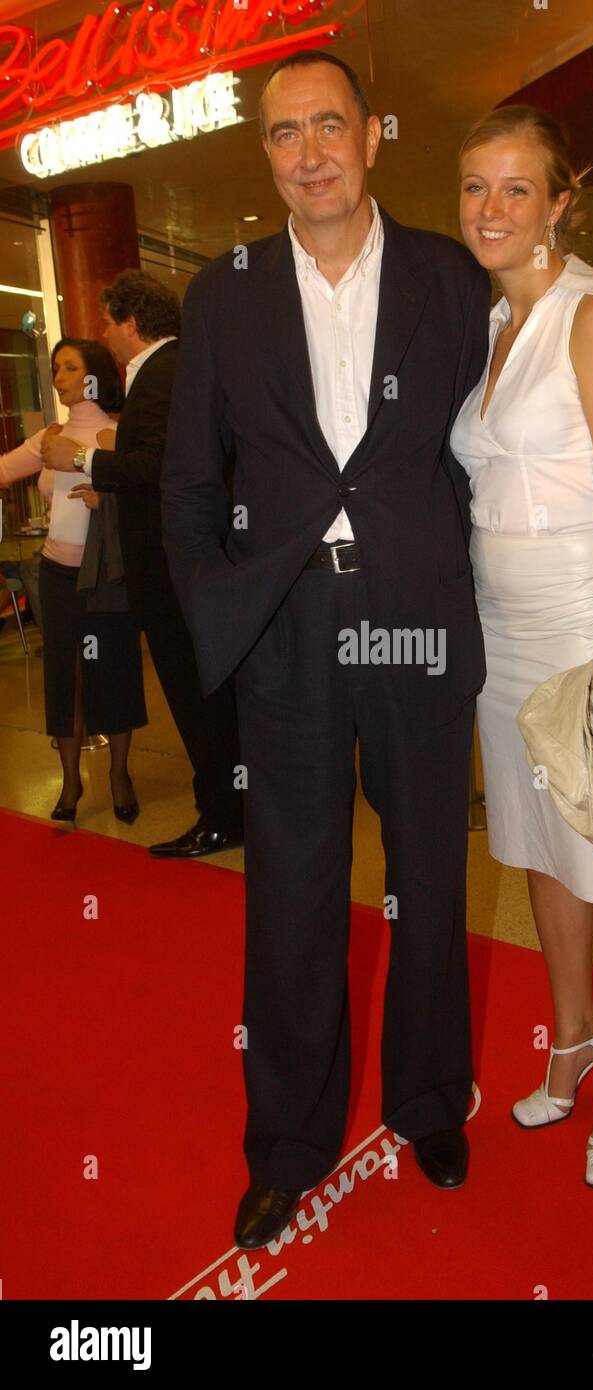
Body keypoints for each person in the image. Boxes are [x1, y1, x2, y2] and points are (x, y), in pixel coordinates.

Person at [161, 51, 490, 1247]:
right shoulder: (227, 291)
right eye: (284, 133)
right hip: (289, 625)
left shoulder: (450, 280)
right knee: (291, 895)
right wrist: (223, 615)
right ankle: (286, 1143)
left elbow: (480, 453)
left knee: (430, 876)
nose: (308, 152)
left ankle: (426, 1100)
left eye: (327, 126)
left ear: (372, 132)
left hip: (413, 617)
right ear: (267, 154)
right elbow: (190, 477)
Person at [451, 105, 593, 1189]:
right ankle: (569, 1037)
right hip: (503, 633)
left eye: (516, 188)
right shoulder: (495, 324)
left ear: (560, 202)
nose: (491, 209)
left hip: (588, 626)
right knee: (540, 854)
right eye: (475, 188)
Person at [42, 271, 243, 857]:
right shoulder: (173, 367)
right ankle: (230, 802)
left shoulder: (161, 374)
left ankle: (223, 813)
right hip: (190, 559)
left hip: (174, 565)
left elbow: (160, 463)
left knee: (195, 692)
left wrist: (80, 456)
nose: (104, 330)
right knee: (205, 691)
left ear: (131, 323)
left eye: (107, 319)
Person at [0, 338, 146, 819]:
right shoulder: (50, 436)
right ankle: (68, 784)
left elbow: (151, 502)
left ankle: (119, 774)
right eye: (57, 368)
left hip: (107, 573)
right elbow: (3, 471)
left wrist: (108, 501)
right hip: (56, 573)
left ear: (93, 378)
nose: (59, 377)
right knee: (63, 673)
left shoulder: (115, 435)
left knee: (116, 669)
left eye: (69, 368)